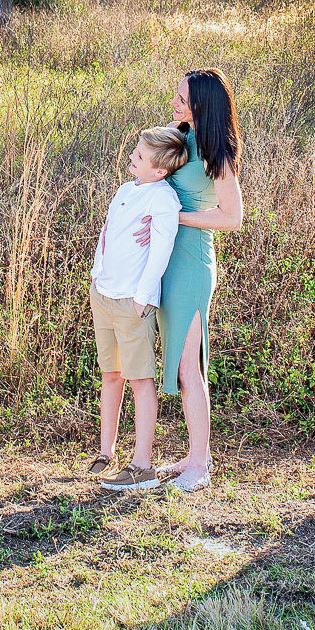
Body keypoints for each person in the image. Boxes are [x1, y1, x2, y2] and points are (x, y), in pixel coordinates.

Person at [133, 68, 246, 495]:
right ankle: (196, 453)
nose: (175, 104)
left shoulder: (217, 152)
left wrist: (173, 217)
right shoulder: (182, 139)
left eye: (183, 99)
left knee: (188, 368)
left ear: (202, 105)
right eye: (177, 96)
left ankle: (200, 463)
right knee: (182, 367)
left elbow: (232, 218)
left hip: (193, 266)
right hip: (167, 263)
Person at [87, 126, 188, 493]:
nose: (133, 156)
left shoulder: (162, 200)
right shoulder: (126, 189)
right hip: (104, 293)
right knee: (110, 374)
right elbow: (108, 231)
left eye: (141, 156)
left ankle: (142, 465)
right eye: (137, 150)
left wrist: (143, 297)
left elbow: (160, 252)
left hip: (132, 301)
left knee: (140, 380)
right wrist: (97, 274)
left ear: (160, 171)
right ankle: (105, 452)